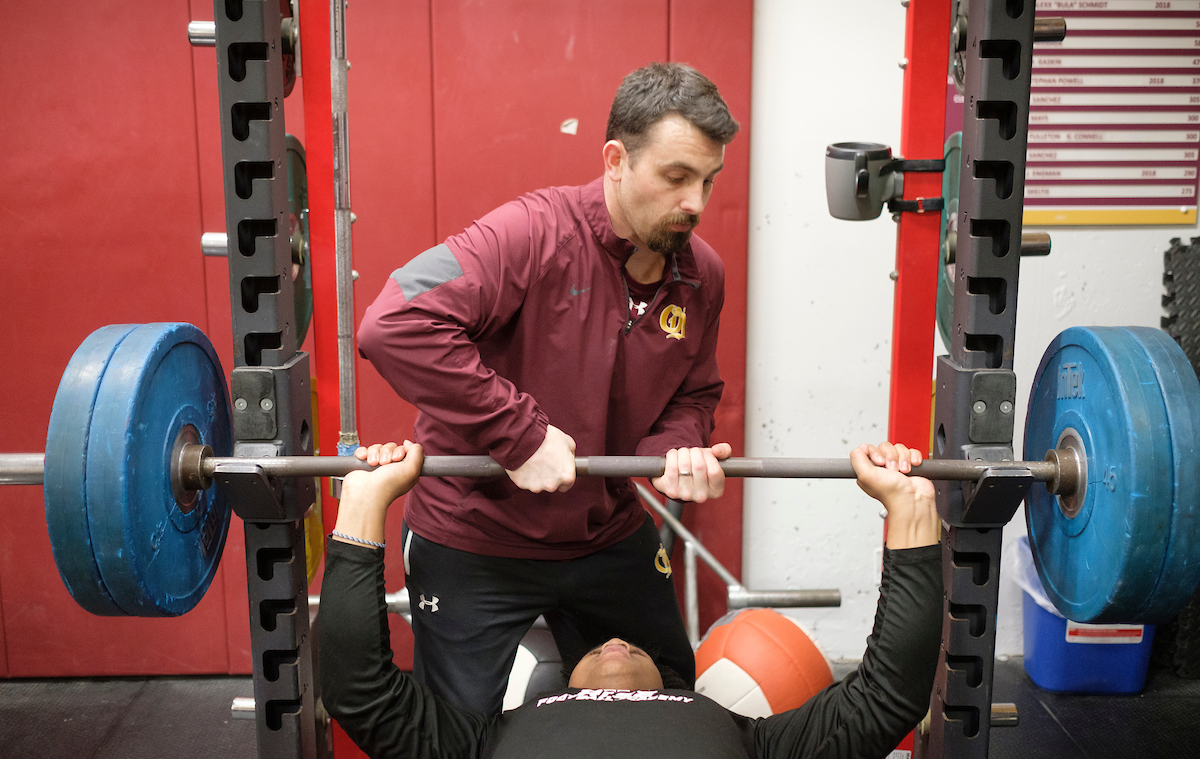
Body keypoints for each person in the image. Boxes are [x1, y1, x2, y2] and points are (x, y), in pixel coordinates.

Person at [355, 62, 741, 712]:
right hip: (475, 536)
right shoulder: (528, 234)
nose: (696, 203)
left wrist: (674, 449)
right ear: (616, 161)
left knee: (671, 702)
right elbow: (393, 324)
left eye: (708, 180)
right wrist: (519, 435)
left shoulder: (703, 274)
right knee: (460, 737)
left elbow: (693, 394)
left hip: (605, 532)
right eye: (676, 177)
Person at [319, 440, 942, 759]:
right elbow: (886, 697)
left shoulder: (490, 740)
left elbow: (360, 692)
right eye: (613, 646)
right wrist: (910, 516)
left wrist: (363, 506)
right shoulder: (491, 736)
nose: (614, 641)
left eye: (611, 646)